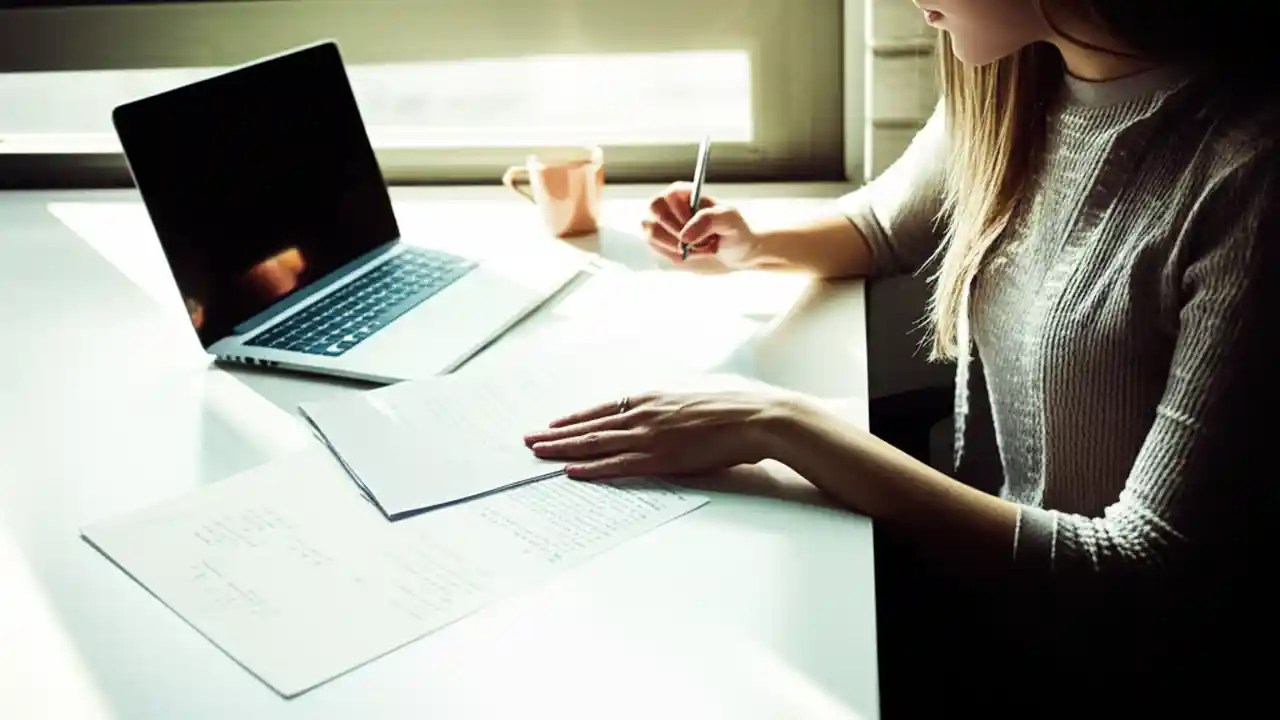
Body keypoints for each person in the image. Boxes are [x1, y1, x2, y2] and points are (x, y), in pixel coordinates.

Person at [524, 1, 1279, 713]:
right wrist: (751, 245)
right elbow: (885, 225)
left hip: (1090, 667)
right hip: (985, 595)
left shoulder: (1247, 175)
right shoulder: (1016, 73)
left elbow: (1141, 574)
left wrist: (781, 424)